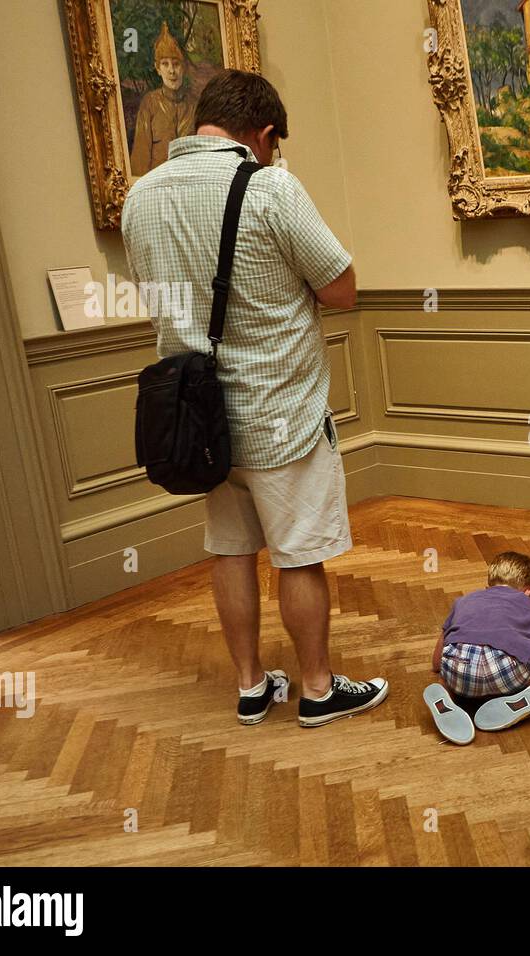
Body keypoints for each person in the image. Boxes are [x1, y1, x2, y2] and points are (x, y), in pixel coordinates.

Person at [121, 69, 386, 729]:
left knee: (231, 549)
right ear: (263, 135)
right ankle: (318, 690)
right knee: (298, 552)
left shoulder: (140, 196)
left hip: (200, 418)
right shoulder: (271, 187)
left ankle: (249, 686)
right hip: (280, 414)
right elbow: (342, 289)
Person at [424, 552, 530, 744]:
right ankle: (519, 700)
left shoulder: (462, 602)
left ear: (488, 587)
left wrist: (444, 672)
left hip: (460, 672)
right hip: (503, 672)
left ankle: (444, 697)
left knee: (444, 676)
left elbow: (436, 662)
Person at [130, 23, 198, 176]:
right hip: (158, 188)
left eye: (176, 64)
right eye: (165, 64)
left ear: (184, 67)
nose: (171, 71)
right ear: (157, 69)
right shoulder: (149, 103)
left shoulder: (195, 104)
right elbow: (140, 158)